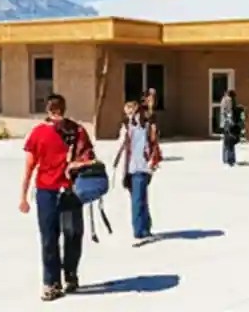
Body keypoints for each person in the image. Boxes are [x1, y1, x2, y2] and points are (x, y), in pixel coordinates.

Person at [20, 94, 97, 302]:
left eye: (58, 108)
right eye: (53, 108)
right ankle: (52, 282)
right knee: (50, 237)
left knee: (71, 235)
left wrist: (78, 164)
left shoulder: (77, 131)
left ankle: (69, 275)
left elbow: (89, 158)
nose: (55, 112)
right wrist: (23, 196)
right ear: (48, 110)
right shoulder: (38, 133)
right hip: (47, 190)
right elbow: (29, 165)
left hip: (69, 189)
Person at [111, 100, 160, 245]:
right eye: (127, 112)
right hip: (131, 168)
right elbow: (121, 145)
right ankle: (143, 227)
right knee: (139, 198)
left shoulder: (146, 126)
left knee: (139, 199)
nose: (130, 115)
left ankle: (141, 229)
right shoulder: (127, 128)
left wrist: (152, 161)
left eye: (132, 111)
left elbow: (153, 141)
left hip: (143, 167)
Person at [220, 89, 241, 167]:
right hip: (229, 123)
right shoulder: (229, 100)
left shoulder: (223, 99)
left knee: (226, 141)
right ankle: (230, 159)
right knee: (230, 141)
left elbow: (224, 112)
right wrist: (231, 122)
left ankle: (225, 158)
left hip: (224, 123)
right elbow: (229, 112)